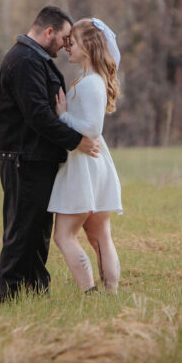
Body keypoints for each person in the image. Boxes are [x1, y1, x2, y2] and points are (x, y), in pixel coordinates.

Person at [0, 5, 101, 303]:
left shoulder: (36, 58)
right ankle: (10, 296)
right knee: (22, 228)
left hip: (36, 157)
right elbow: (38, 115)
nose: (66, 44)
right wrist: (76, 140)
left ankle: (36, 291)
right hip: (22, 157)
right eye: (64, 37)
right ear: (49, 32)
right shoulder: (24, 60)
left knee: (37, 229)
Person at [48, 17, 122, 293]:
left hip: (84, 164)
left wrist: (63, 116)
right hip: (95, 162)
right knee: (99, 235)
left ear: (89, 46)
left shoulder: (91, 83)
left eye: (73, 42)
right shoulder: (92, 80)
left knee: (64, 235)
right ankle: (110, 293)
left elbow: (92, 127)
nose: (68, 47)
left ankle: (89, 292)